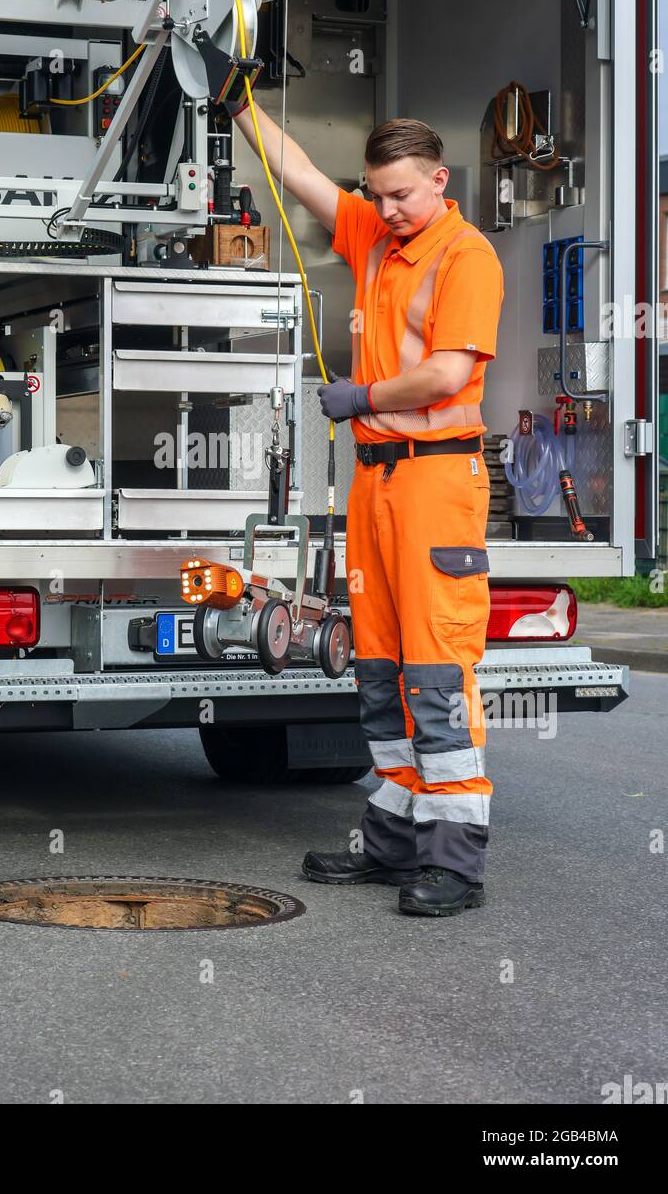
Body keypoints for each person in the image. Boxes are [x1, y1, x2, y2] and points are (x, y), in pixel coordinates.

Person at [231, 104, 504, 917]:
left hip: (436, 482)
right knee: (380, 667)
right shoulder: (373, 236)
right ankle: (391, 843)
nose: (385, 212)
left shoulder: (467, 256)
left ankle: (455, 864)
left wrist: (361, 396)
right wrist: (240, 102)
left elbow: (448, 374)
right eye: (377, 197)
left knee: (438, 672)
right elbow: (301, 174)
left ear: (438, 182)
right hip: (377, 481)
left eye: (400, 197)